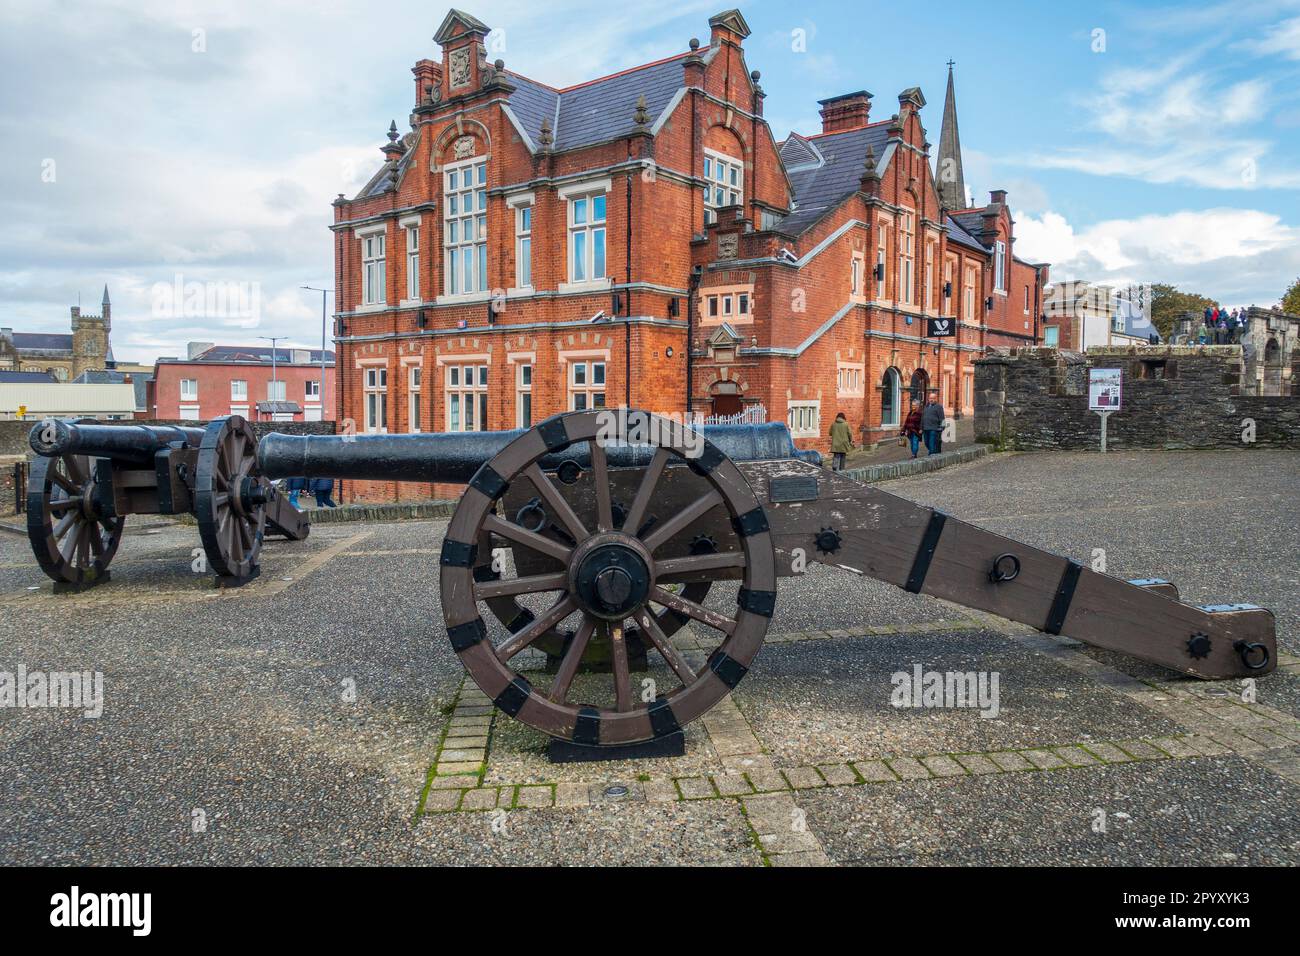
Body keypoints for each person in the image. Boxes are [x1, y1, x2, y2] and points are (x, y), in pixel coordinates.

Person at [921, 390, 945, 456]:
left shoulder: (939, 407)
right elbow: (923, 418)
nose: (931, 400)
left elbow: (942, 418)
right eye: (930, 398)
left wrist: (942, 427)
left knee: (932, 443)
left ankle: (931, 455)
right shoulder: (926, 407)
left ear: (936, 399)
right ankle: (934, 452)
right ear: (928, 399)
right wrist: (921, 427)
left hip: (934, 428)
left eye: (933, 398)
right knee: (926, 443)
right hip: (926, 428)